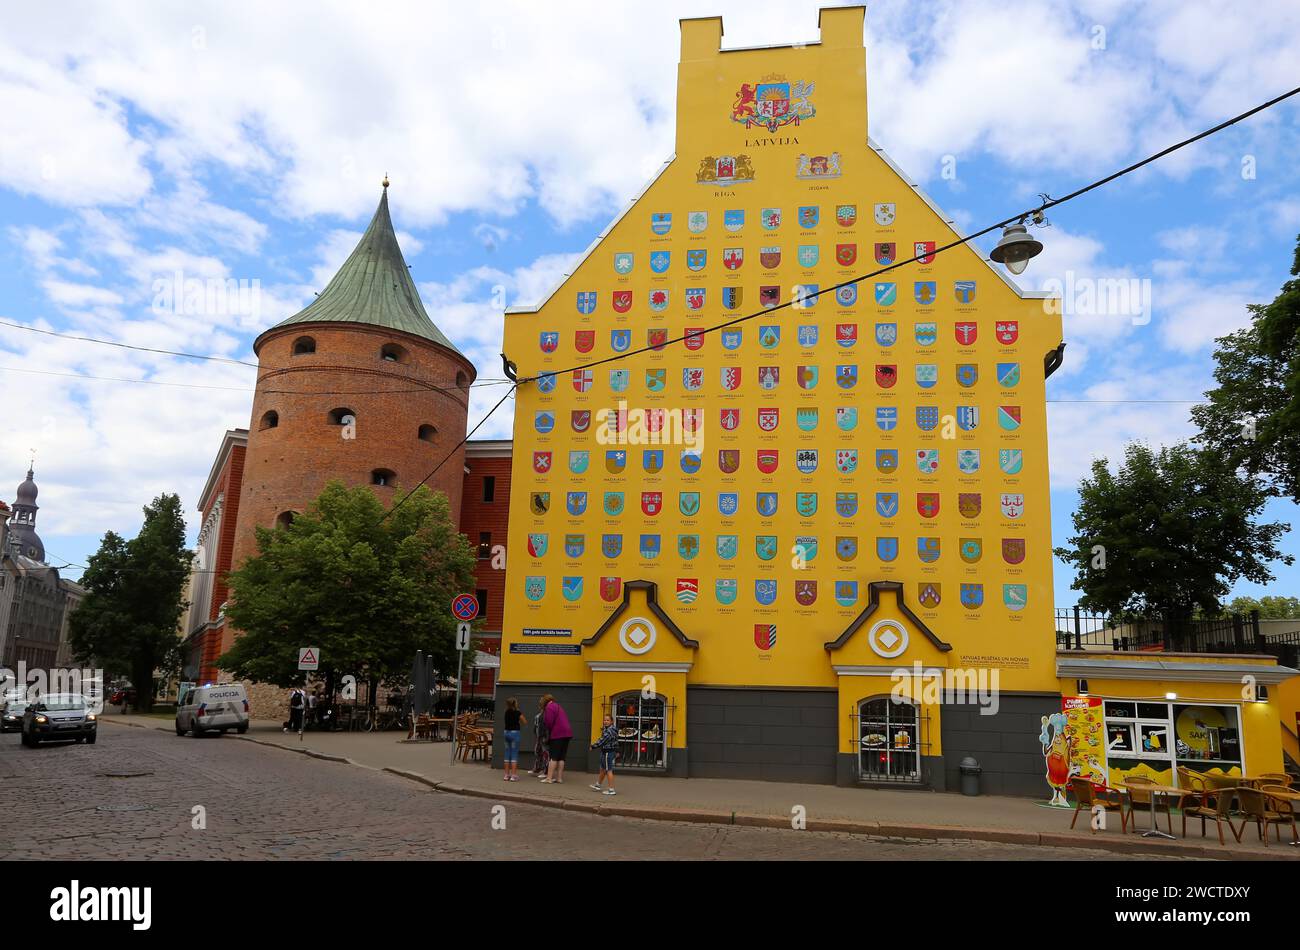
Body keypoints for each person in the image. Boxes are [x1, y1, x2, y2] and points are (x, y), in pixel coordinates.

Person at [539, 694, 573, 785]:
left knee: (553, 757)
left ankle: (549, 778)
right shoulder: (558, 706)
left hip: (557, 734)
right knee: (561, 757)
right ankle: (559, 778)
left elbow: (549, 722)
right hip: (567, 734)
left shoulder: (549, 707)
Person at [589, 713, 618, 795]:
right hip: (606, 751)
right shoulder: (609, 729)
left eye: (608, 720)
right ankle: (598, 785)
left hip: (608, 752)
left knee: (609, 770)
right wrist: (617, 751)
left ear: (612, 721)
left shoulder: (609, 731)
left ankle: (611, 790)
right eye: (604, 720)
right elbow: (616, 742)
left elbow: (602, 741)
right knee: (603, 769)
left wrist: (593, 746)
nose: (605, 721)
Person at [501, 698, 524, 781]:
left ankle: (506, 775)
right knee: (514, 753)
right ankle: (513, 775)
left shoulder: (506, 712)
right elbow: (524, 721)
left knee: (507, 753)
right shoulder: (517, 712)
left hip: (506, 733)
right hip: (514, 734)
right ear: (515, 704)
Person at [531, 698, 550, 777]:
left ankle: (545, 771)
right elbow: (535, 727)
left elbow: (547, 727)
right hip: (539, 736)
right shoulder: (538, 716)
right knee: (538, 751)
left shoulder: (546, 715)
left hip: (544, 736)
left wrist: (546, 737)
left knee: (545, 753)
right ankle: (538, 768)